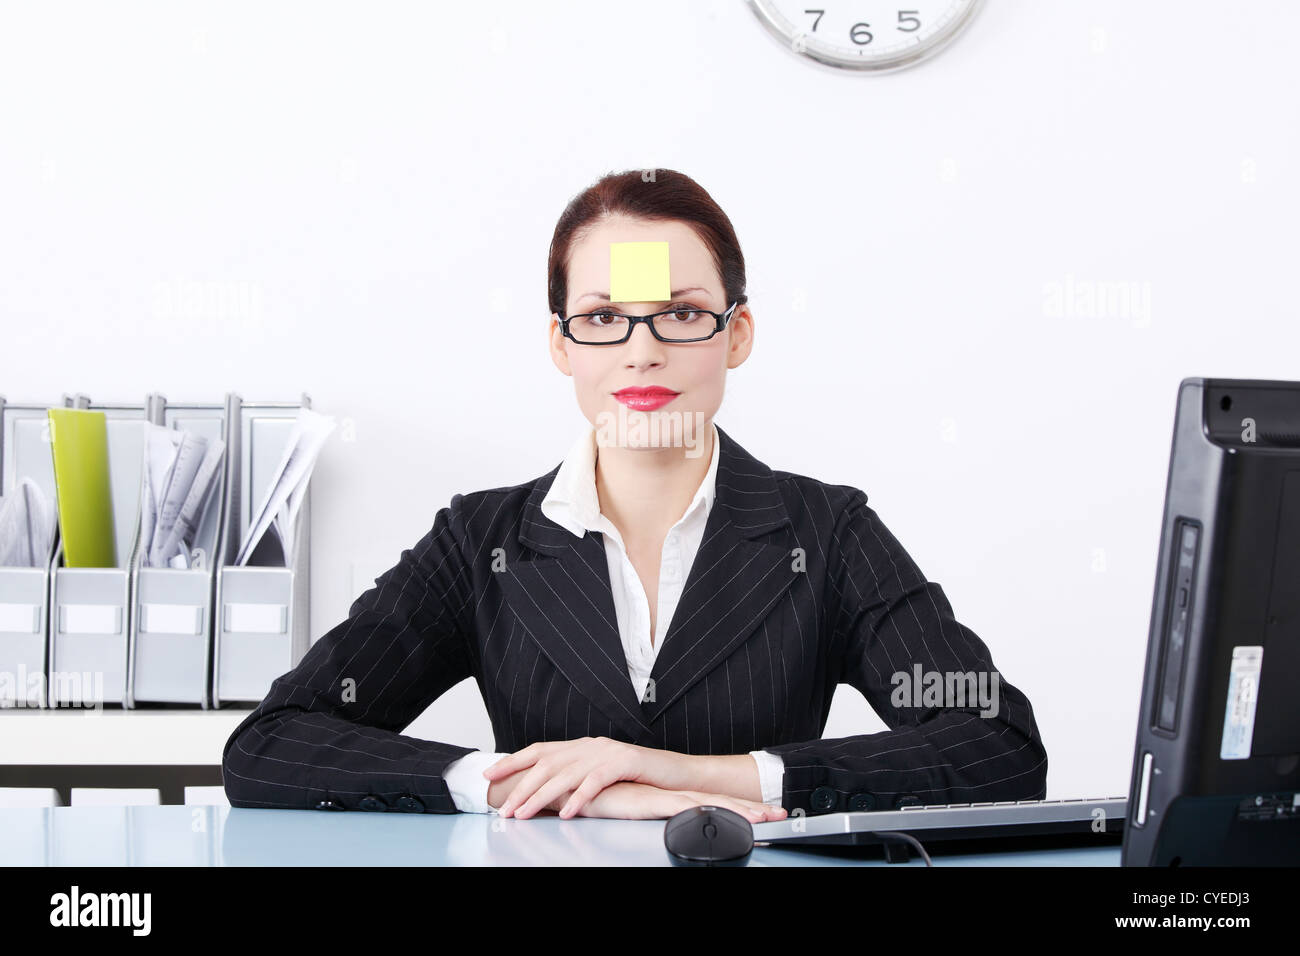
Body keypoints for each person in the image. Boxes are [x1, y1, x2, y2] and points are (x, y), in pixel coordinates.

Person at [221, 168, 1048, 823]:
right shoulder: (481, 542)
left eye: (682, 313)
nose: (642, 352)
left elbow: (998, 743)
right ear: (561, 343)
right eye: (605, 317)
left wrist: (690, 773)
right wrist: (528, 785)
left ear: (738, 334)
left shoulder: (828, 532)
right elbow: (272, 742)